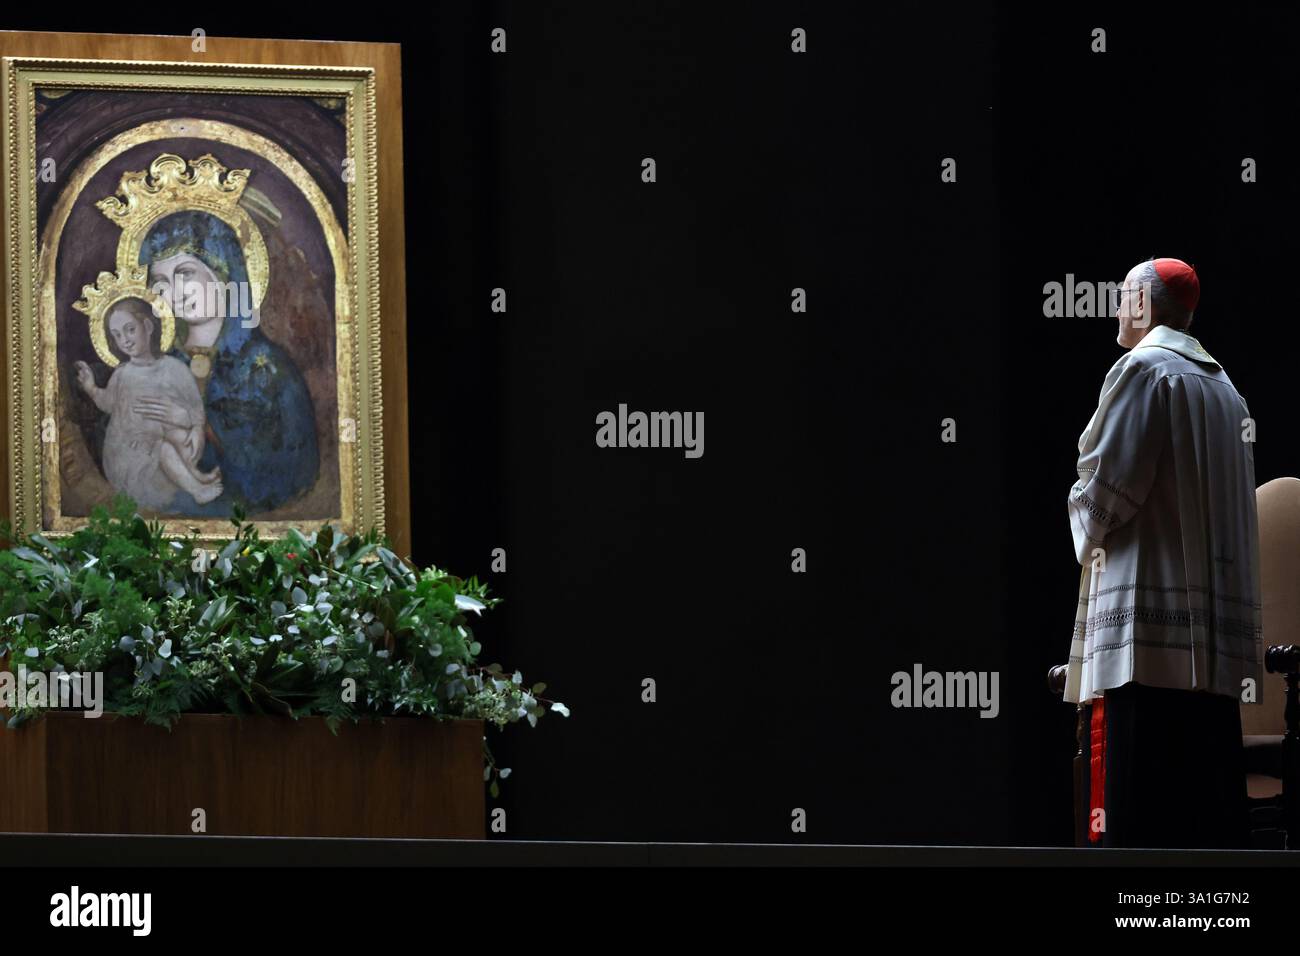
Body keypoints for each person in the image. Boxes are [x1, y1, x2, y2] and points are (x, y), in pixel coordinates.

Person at [1064, 257, 1262, 849]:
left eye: (1123, 295)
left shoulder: (1142, 371)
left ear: (1145, 306)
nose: (1117, 306)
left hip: (1150, 636)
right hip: (1211, 645)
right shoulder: (1226, 389)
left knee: (1147, 809)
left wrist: (1077, 500)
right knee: (1206, 806)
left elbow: (1109, 493)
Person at [74, 297, 223, 510]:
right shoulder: (123, 374)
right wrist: (91, 388)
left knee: (180, 436)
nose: (125, 340)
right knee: (163, 448)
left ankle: (196, 476)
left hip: (158, 444)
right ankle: (197, 490)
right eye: (117, 335)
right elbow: (108, 404)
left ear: (148, 326)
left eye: (130, 330)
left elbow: (194, 406)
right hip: (129, 455)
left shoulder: (175, 369)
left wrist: (197, 427)